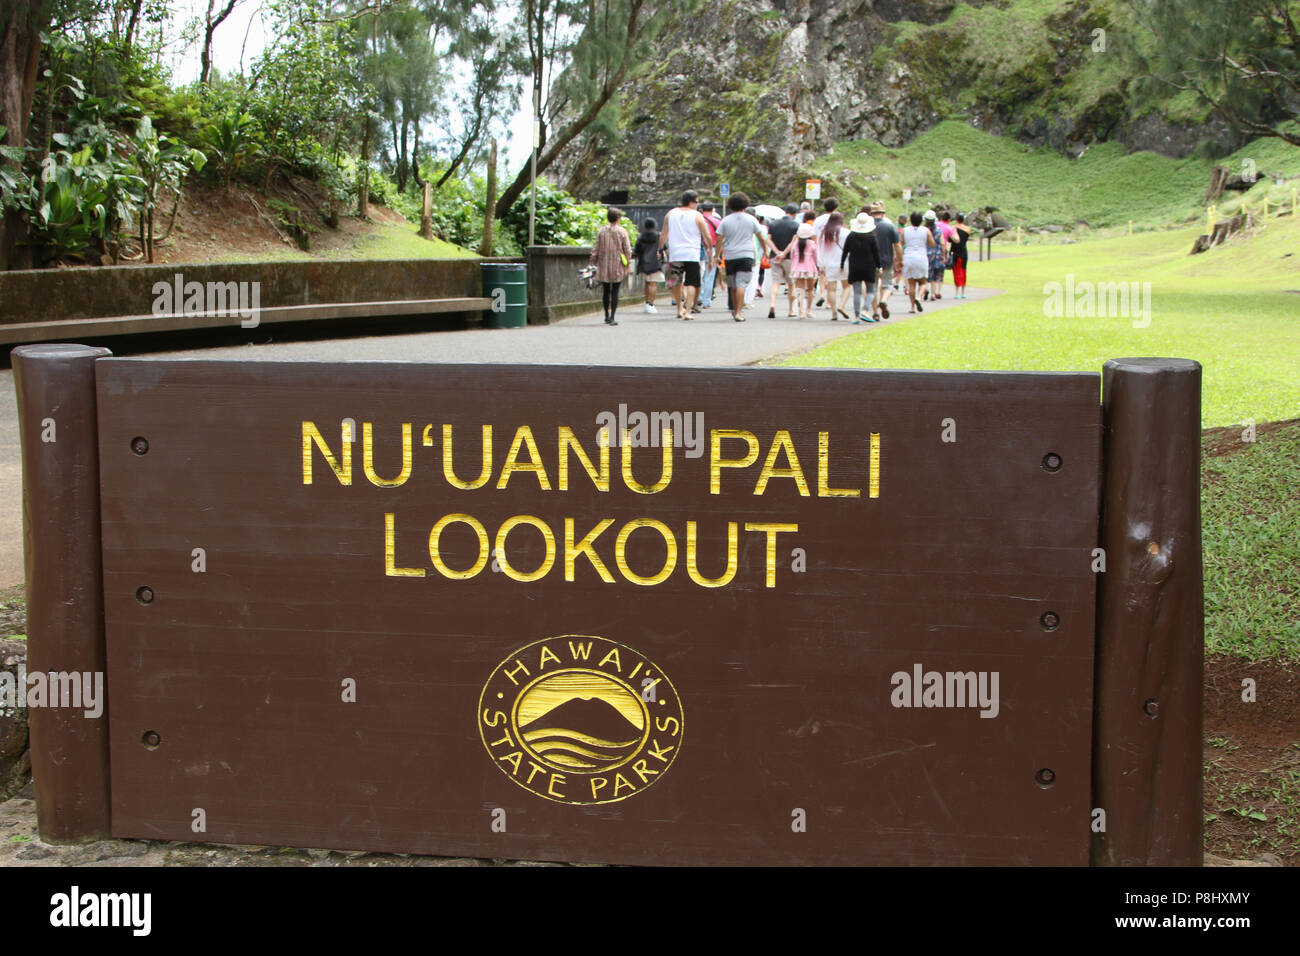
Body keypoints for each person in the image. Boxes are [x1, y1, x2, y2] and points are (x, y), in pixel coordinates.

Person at [714, 192, 776, 323]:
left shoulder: (726, 220)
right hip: (746, 254)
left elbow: (719, 238)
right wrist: (765, 251)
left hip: (730, 255)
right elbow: (760, 236)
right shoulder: (751, 219)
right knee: (741, 283)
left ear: (730, 205)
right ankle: (738, 312)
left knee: (733, 284)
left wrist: (717, 255)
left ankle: (734, 308)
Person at [658, 190, 715, 320]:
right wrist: (709, 249)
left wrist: (660, 249)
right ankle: (688, 311)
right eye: (697, 201)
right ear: (691, 202)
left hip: (675, 253)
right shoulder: (697, 216)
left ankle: (679, 308)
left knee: (676, 282)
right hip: (692, 254)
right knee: (691, 283)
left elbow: (663, 234)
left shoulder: (670, 214)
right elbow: (706, 235)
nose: (698, 204)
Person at [590, 207, 632, 326]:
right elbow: (627, 250)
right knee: (615, 291)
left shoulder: (601, 231)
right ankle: (613, 316)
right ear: (618, 218)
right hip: (617, 264)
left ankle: (606, 316)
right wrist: (627, 263)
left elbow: (596, 248)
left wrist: (592, 260)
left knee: (606, 291)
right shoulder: (622, 231)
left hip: (603, 264)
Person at [840, 212, 882, 323]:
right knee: (870, 291)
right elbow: (876, 253)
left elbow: (845, 251)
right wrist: (879, 266)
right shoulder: (872, 237)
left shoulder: (851, 236)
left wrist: (842, 264)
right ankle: (865, 310)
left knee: (857, 292)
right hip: (869, 266)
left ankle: (857, 317)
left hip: (854, 266)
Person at [773, 221, 819, 319]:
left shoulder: (795, 244)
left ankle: (800, 311)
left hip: (797, 269)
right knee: (810, 289)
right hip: (810, 268)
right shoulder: (812, 244)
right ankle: (809, 310)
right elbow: (816, 257)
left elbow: (793, 257)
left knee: (800, 289)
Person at [766, 203, 800, 318]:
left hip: (774, 257)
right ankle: (791, 310)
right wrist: (784, 253)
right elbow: (794, 242)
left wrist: (777, 252)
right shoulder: (796, 225)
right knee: (791, 284)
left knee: (775, 282)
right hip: (789, 258)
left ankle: (772, 304)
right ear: (795, 213)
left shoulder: (773, 224)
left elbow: (768, 240)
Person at [868, 202, 900, 320]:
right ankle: (884, 300)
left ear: (872, 214)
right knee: (887, 284)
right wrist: (900, 260)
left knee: (873, 288)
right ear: (883, 214)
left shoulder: (867, 227)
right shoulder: (889, 226)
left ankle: (875, 313)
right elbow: (897, 245)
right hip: (887, 260)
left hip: (871, 261)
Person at [817, 210, 850, 319]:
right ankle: (842, 306)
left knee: (831, 289)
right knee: (847, 286)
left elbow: (820, 249)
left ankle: (834, 312)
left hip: (829, 263)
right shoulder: (846, 232)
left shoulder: (824, 234)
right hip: (843, 262)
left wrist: (820, 264)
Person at [901, 210, 934, 314]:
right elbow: (932, 244)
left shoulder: (905, 230)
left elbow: (900, 243)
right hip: (921, 257)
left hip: (908, 257)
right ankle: (919, 298)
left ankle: (912, 307)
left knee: (911, 284)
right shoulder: (926, 230)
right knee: (923, 282)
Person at [632, 217, 665, 313]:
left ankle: (646, 302)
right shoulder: (659, 236)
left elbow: (637, 249)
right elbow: (664, 247)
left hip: (644, 263)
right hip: (655, 263)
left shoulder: (641, 236)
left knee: (647, 283)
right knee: (653, 284)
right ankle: (651, 303)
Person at [697, 201, 722, 311]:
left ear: (701, 210)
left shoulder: (697, 220)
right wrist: (718, 254)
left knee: (698, 274)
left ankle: (697, 297)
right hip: (711, 248)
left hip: (696, 248)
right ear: (712, 210)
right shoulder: (717, 221)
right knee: (709, 275)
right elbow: (720, 239)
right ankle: (706, 300)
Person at [923, 209, 947, 301]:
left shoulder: (924, 230)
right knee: (935, 275)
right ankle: (933, 294)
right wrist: (944, 255)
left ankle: (925, 289)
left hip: (925, 254)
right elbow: (942, 243)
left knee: (925, 274)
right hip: (937, 254)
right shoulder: (938, 231)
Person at [949, 212, 972, 298]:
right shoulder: (967, 229)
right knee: (963, 270)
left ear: (956, 219)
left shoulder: (953, 229)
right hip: (964, 251)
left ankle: (957, 292)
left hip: (955, 251)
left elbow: (950, 239)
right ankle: (963, 292)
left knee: (956, 271)